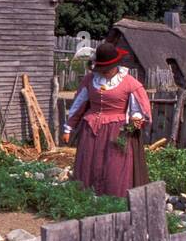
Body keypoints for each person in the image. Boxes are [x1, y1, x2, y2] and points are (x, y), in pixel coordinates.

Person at [62, 41, 152, 198]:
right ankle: (85, 199)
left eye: (107, 69)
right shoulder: (90, 80)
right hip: (90, 130)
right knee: (88, 164)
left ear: (116, 65)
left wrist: (136, 119)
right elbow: (78, 104)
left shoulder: (130, 83)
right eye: (101, 69)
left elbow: (139, 108)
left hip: (117, 132)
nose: (104, 73)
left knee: (114, 167)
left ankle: (114, 200)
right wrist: (68, 128)